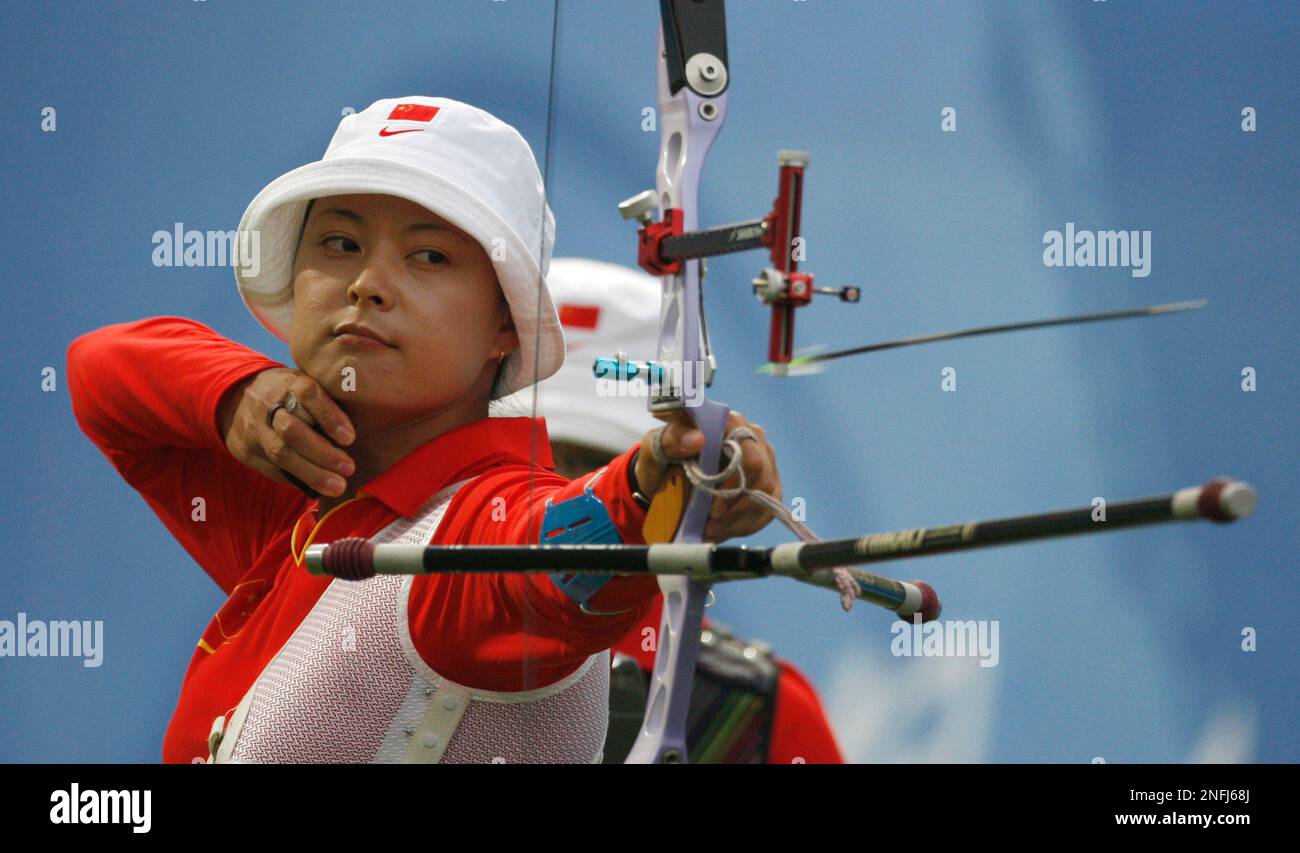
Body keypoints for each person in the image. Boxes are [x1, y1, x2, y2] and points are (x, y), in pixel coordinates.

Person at [66, 96, 782, 763]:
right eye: (340, 242)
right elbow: (100, 371)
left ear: (505, 323)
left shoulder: (477, 523)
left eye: (429, 256)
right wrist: (238, 396)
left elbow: (547, 564)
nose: (367, 283)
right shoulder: (303, 506)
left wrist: (650, 486)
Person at [498, 257, 845, 764]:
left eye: (606, 473)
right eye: (521, 467)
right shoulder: (363, 626)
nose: (560, 501)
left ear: (680, 488)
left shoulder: (753, 715)